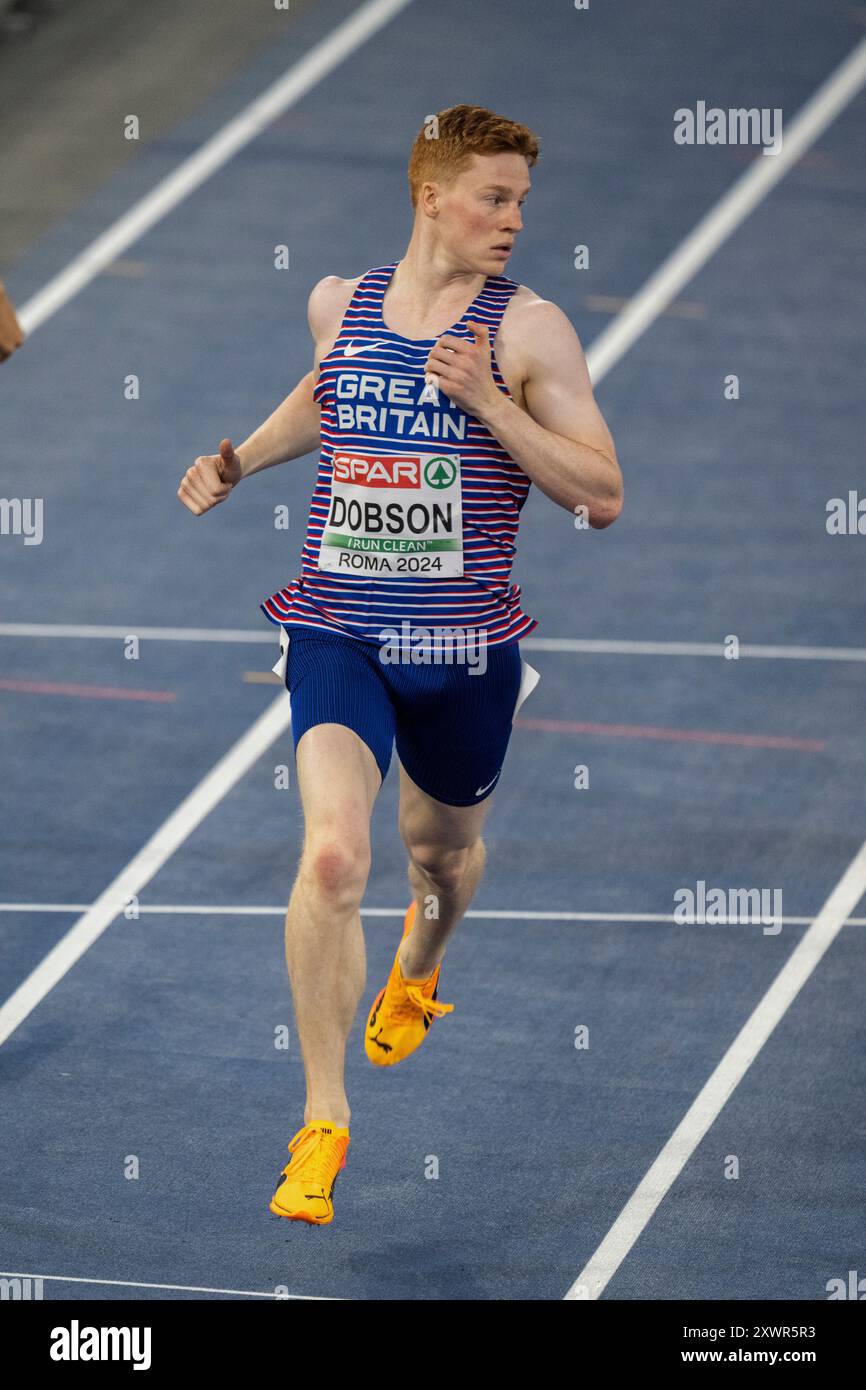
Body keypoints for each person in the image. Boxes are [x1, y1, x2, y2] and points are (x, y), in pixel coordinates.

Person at [178, 104, 622, 1226]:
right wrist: (239, 457)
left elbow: (599, 495)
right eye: (493, 196)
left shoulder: (530, 333)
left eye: (520, 200)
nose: (513, 219)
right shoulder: (341, 301)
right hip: (337, 628)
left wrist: (484, 402)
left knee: (440, 851)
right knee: (333, 856)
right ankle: (322, 1121)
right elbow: (322, 401)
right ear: (429, 196)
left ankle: (420, 963)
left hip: (461, 648)